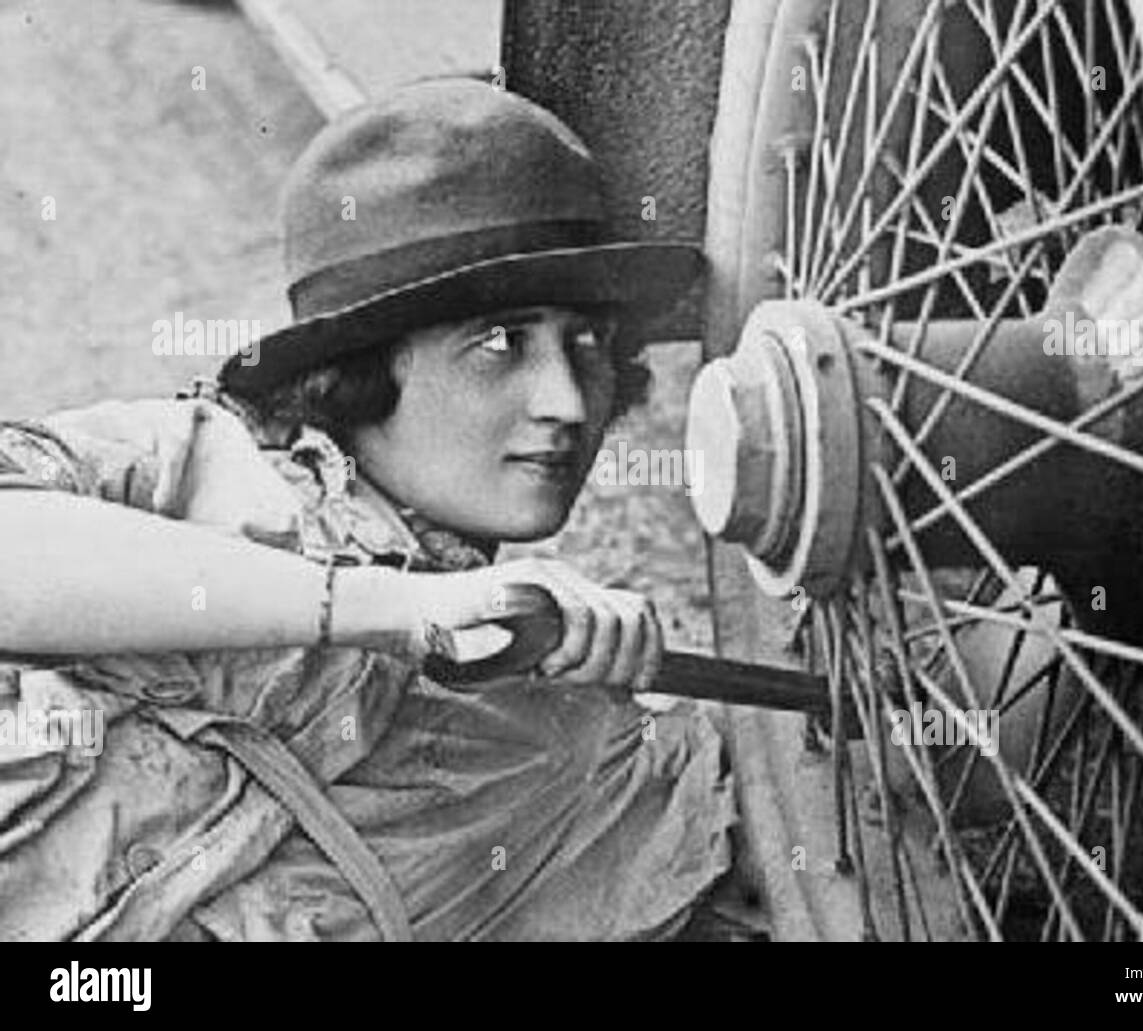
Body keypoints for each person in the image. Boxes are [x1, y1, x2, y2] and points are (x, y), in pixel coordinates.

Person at [0, 79, 744, 941]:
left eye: (590, 345)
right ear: (361, 364)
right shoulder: (196, 469)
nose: (568, 402)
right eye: (501, 344)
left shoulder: (582, 754)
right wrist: (402, 610)